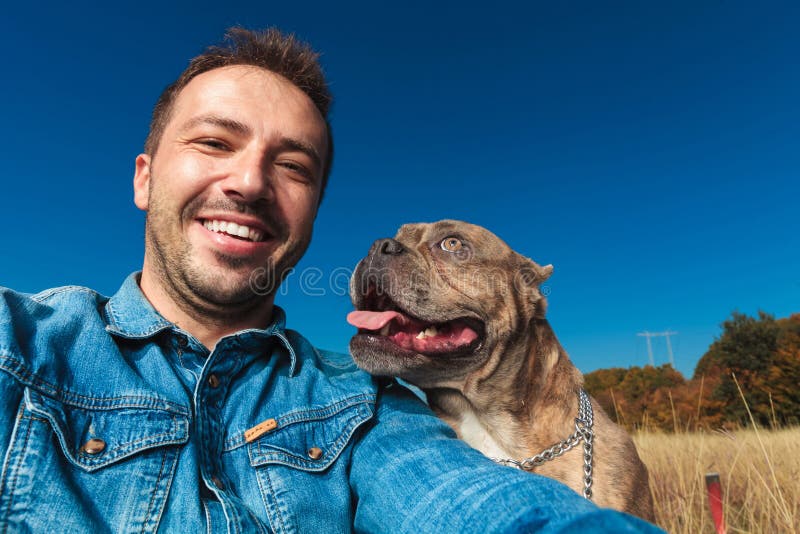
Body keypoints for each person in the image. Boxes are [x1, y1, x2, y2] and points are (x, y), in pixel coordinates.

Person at [0, 27, 662, 533]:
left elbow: (470, 501)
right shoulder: (19, 349)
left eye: (292, 166)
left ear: (313, 208)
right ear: (143, 176)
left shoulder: (363, 403)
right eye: (214, 142)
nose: (250, 182)